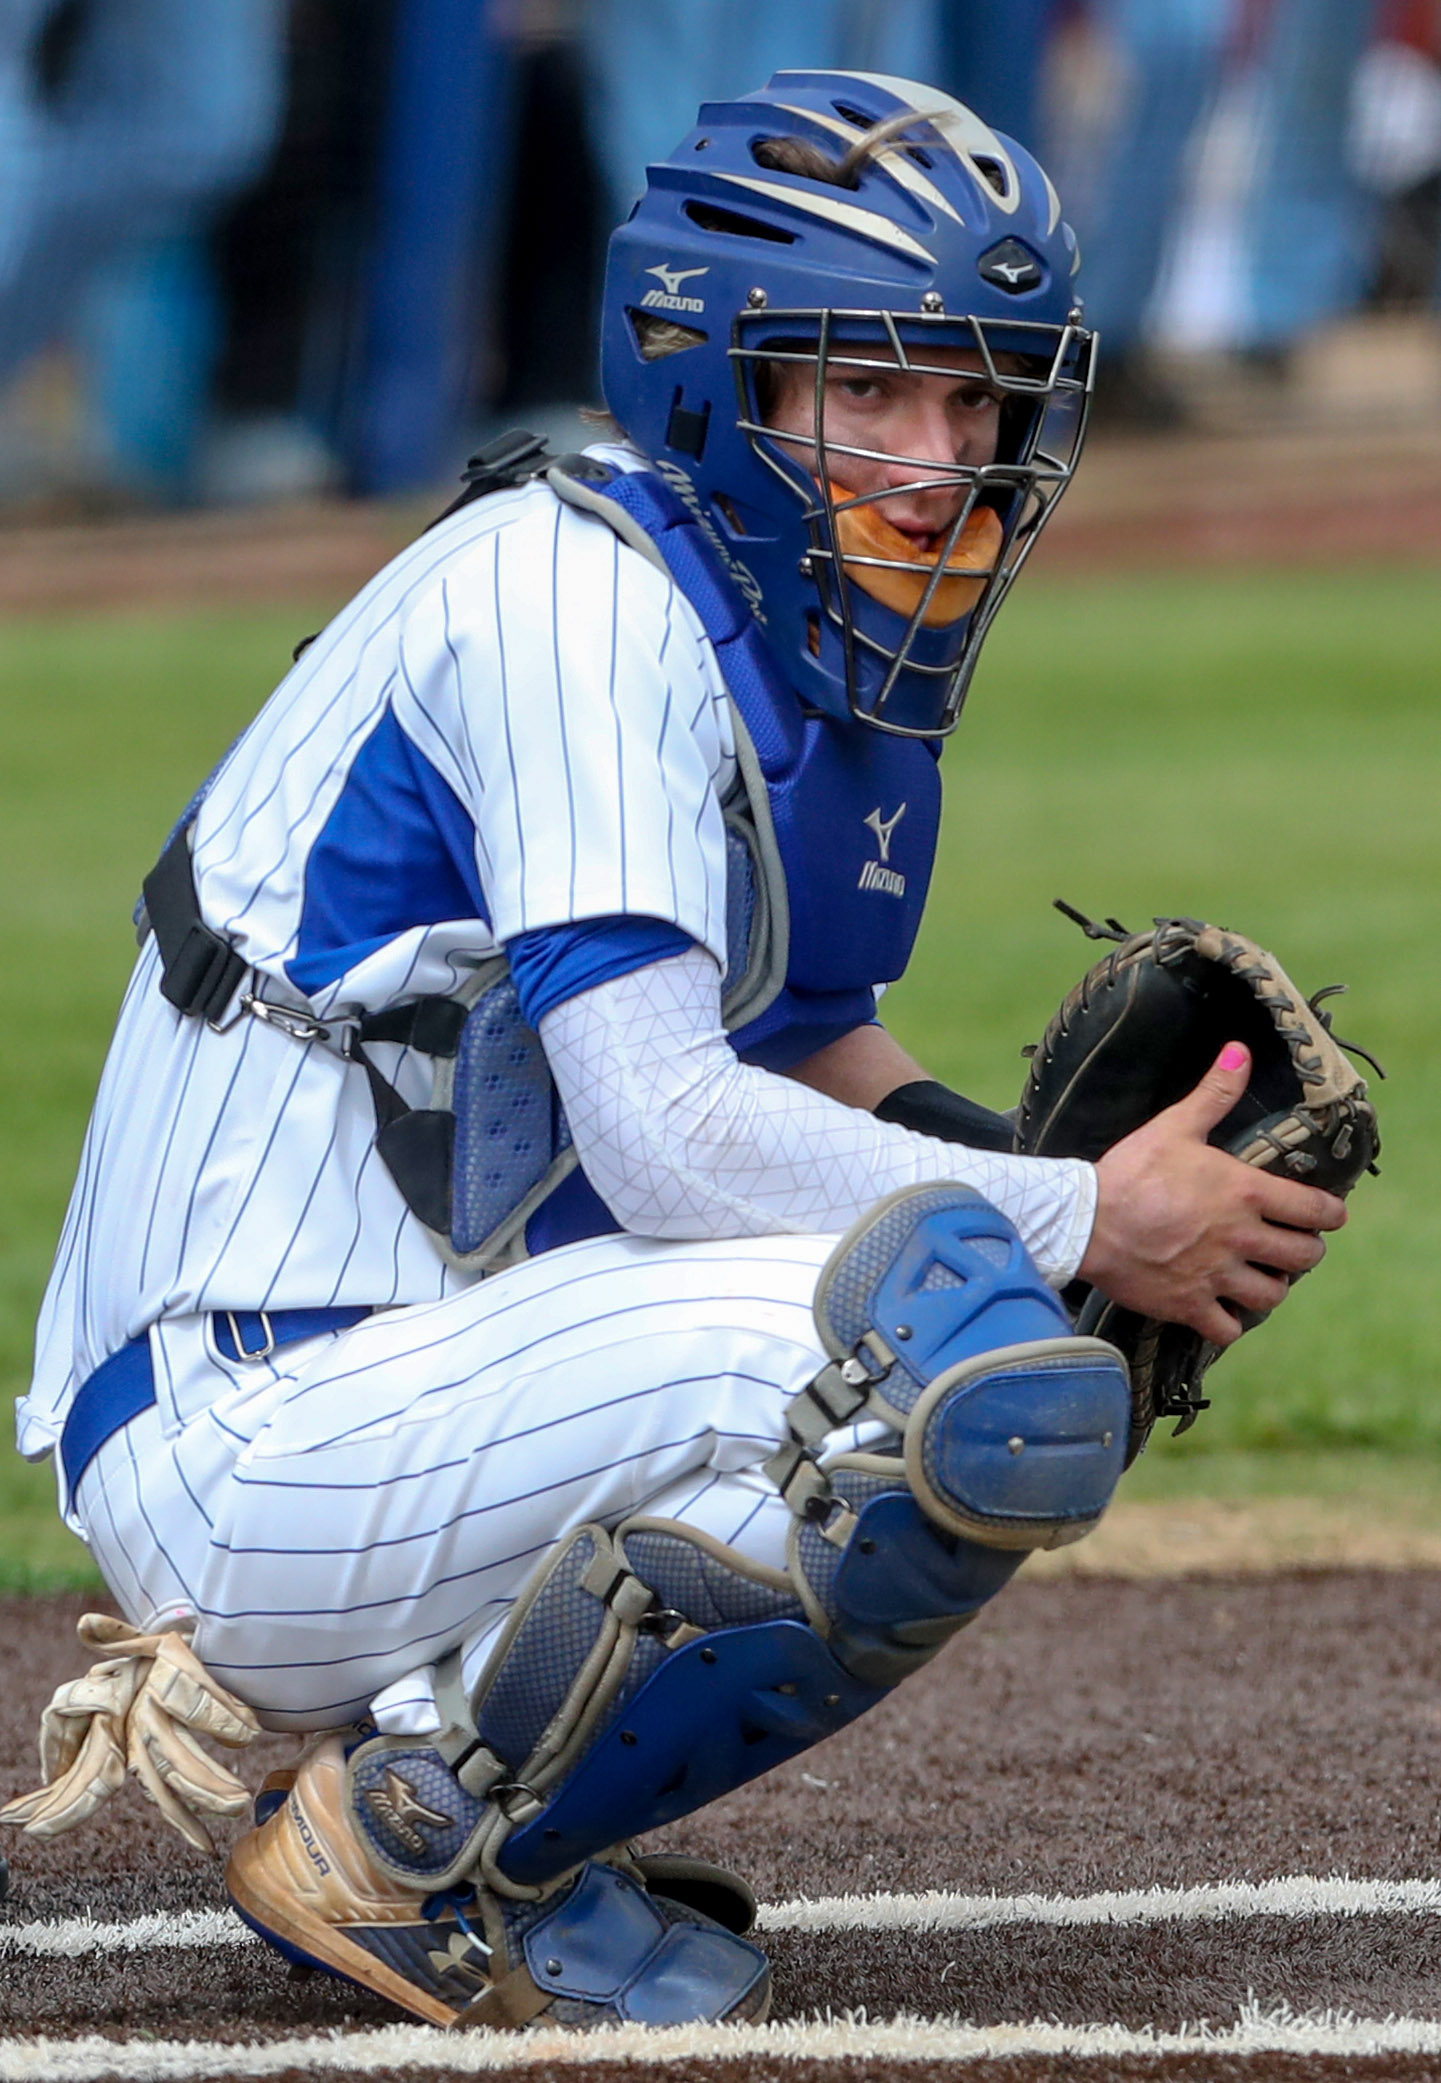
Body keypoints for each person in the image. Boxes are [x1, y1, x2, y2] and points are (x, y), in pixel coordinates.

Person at [10, 72, 1344, 2032]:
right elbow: (662, 1135)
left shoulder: (778, 628)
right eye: (868, 391)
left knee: (1012, 1325)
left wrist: (1106, 1219)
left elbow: (799, 1049)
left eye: (974, 402)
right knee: (955, 1363)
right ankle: (415, 1836)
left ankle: (458, 1768)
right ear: (720, 379)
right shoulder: (573, 600)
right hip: (255, 1422)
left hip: (400, 1379)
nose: (934, 458)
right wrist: (1071, 1207)